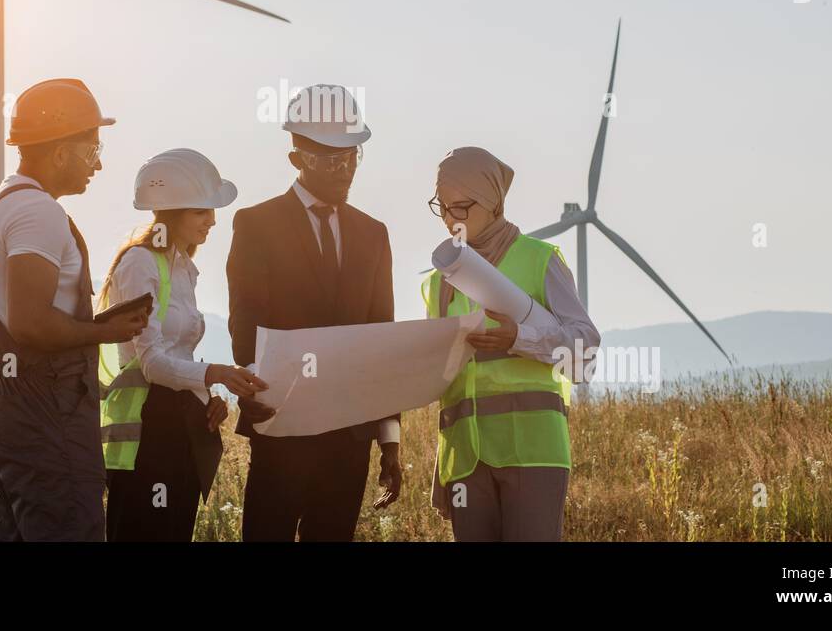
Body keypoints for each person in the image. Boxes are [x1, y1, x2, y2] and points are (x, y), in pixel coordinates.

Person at [0, 78, 149, 542]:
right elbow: (29, 324)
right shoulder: (37, 213)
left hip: (12, 402)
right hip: (46, 405)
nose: (99, 163)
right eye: (92, 149)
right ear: (61, 152)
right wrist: (105, 333)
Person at [228, 83, 403, 542]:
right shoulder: (256, 224)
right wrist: (253, 389)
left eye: (352, 158)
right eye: (331, 160)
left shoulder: (373, 234)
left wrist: (390, 441)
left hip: (349, 437)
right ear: (297, 159)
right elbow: (244, 323)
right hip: (282, 425)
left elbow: (379, 341)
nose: (345, 171)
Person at [423, 146, 601, 541]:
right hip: (466, 461)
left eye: (462, 207)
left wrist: (521, 338)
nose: (451, 219)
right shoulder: (438, 281)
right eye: (442, 207)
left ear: (493, 202)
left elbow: (585, 354)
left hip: (533, 454)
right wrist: (442, 467)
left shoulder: (539, 260)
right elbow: (446, 381)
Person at [99, 149, 268, 541]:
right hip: (147, 438)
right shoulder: (140, 264)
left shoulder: (182, 268)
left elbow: (178, 358)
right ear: (171, 212)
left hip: (179, 431)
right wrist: (218, 373)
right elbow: (152, 363)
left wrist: (205, 395)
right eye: (201, 211)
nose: (212, 220)